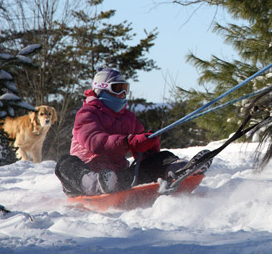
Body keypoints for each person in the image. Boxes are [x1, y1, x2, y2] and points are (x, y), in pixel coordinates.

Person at [55, 67, 210, 196]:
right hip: (86, 177)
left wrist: (149, 143)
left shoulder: (127, 118)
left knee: (161, 157)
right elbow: (95, 141)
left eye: (125, 89)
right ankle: (98, 185)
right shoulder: (87, 113)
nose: (122, 94)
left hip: (117, 178)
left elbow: (141, 149)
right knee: (65, 163)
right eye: (117, 89)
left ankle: (180, 170)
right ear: (102, 89)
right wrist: (126, 142)